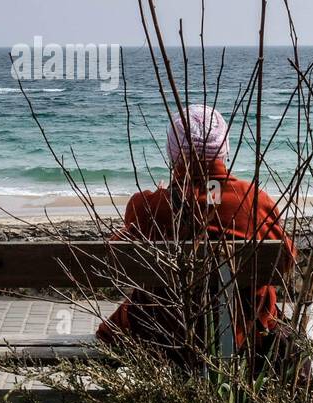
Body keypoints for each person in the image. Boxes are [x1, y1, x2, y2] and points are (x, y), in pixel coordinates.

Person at [96, 104, 296, 365]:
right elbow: (286, 261)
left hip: (167, 334)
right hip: (242, 333)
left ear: (173, 153)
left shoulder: (147, 206)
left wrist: (162, 198)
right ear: (224, 150)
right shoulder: (254, 200)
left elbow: (119, 257)